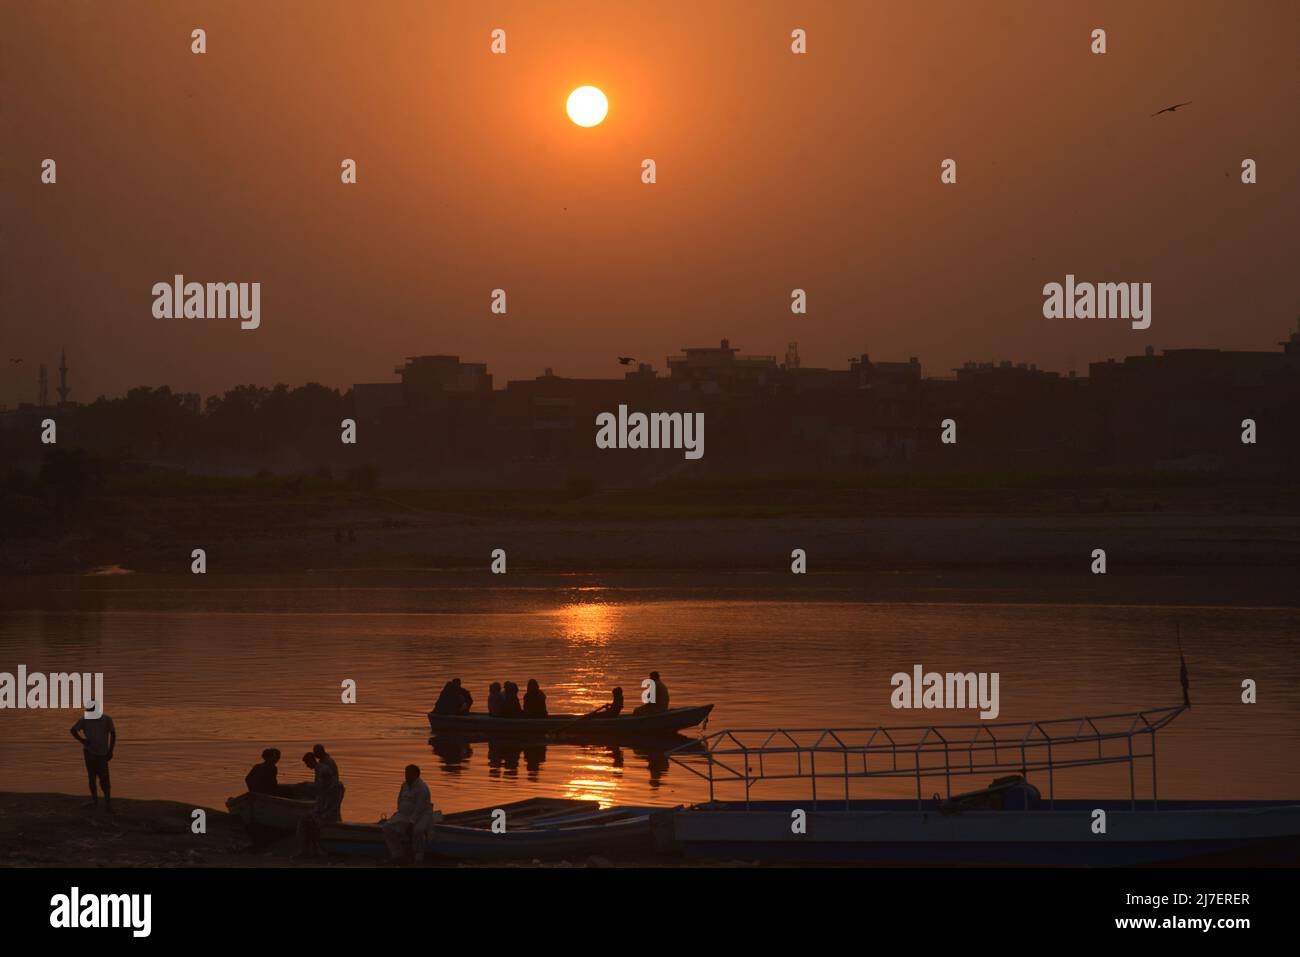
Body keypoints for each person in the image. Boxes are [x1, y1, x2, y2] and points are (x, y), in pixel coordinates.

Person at [382, 764, 437, 864]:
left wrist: (411, 823)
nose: (406, 775)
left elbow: (419, 808)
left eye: (408, 774)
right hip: (404, 814)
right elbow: (399, 799)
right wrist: (399, 811)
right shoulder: (404, 785)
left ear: (416, 775)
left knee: (418, 830)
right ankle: (397, 854)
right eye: (405, 773)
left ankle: (418, 857)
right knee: (387, 827)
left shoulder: (422, 788)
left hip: (422, 815)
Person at [70, 703, 116, 813]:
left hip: (103, 753)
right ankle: (95, 801)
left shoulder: (107, 719)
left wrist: (110, 751)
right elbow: (73, 730)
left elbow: (113, 734)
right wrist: (82, 740)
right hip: (89, 753)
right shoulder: (85, 719)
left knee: (104, 779)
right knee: (92, 777)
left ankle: (107, 804)